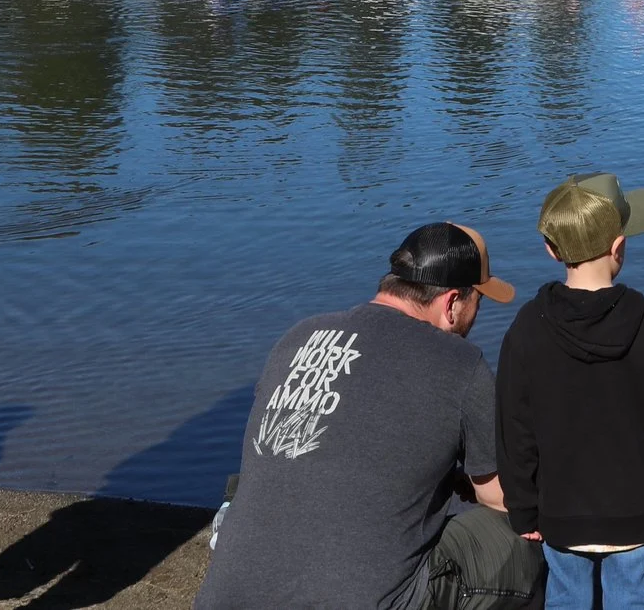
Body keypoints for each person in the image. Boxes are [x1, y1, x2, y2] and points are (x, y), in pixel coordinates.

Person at [198, 223, 540, 610]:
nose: (475, 317)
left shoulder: (299, 335)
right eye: (477, 301)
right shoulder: (460, 362)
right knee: (519, 541)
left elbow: (353, 441)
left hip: (226, 600)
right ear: (451, 303)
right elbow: (500, 496)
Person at [497, 174, 644, 610]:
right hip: (638, 514)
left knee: (566, 601)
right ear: (619, 246)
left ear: (551, 250)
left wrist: (523, 509)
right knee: (631, 602)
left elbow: (515, 429)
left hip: (561, 514)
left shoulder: (528, 327)